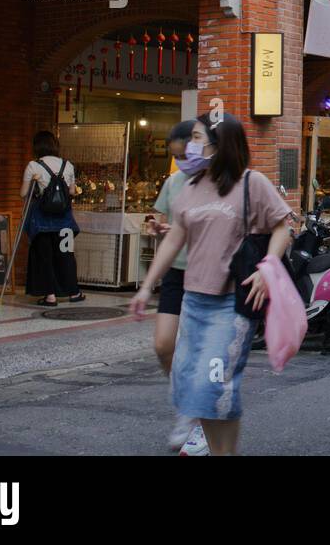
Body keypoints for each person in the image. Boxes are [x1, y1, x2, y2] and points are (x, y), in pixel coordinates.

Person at [129, 113, 292, 456]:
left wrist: (268, 267)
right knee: (195, 387)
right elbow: (174, 240)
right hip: (194, 302)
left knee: (213, 385)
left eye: (198, 137)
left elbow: (282, 226)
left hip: (232, 305)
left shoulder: (252, 183)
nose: (191, 145)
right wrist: (146, 286)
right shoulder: (188, 187)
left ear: (221, 145)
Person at [144, 120, 199, 452]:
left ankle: (194, 416)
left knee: (196, 351)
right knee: (164, 346)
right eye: (175, 156)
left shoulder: (219, 183)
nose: (180, 162)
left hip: (208, 277)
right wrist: (156, 227)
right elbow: (157, 218)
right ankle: (183, 399)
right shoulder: (173, 182)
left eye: (183, 154)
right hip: (176, 273)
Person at [20, 131, 84, 306]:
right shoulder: (68, 165)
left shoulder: (33, 166)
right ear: (55, 145)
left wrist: (37, 185)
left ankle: (50, 296)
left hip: (42, 222)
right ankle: (74, 293)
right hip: (65, 221)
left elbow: (23, 194)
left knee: (45, 257)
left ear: (36, 146)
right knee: (67, 255)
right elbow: (71, 192)